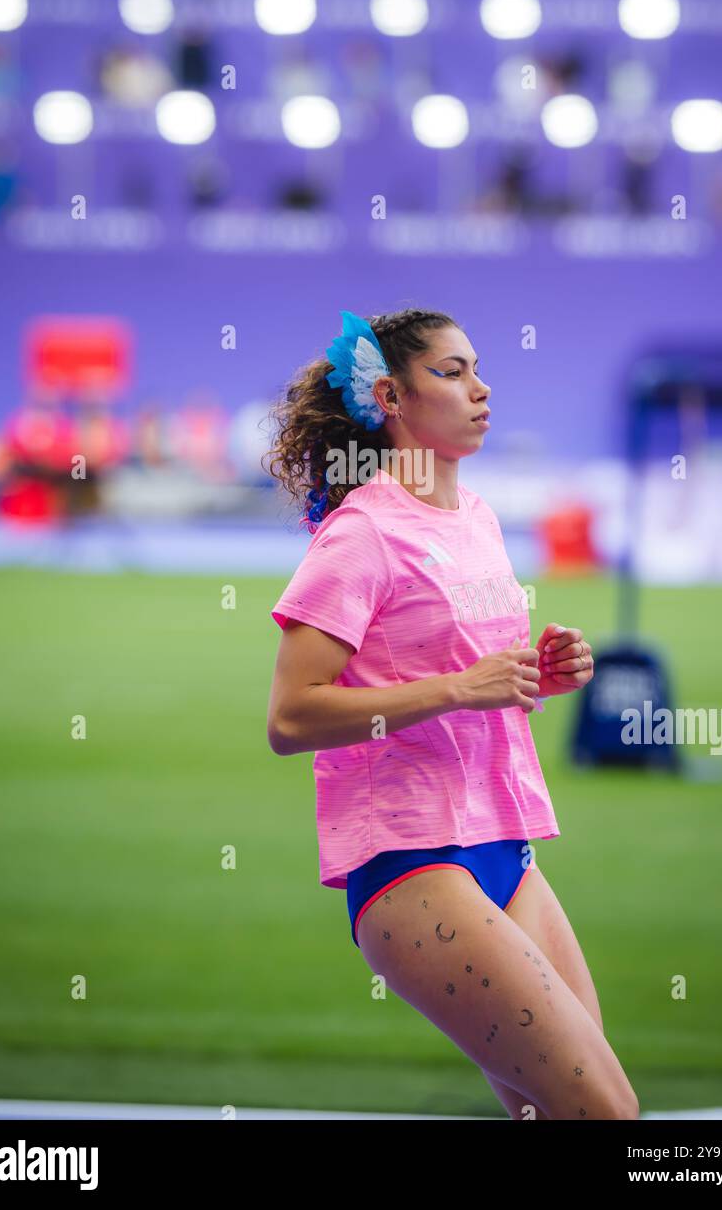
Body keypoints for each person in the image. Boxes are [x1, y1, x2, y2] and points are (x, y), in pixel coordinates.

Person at [263, 307, 638, 1121]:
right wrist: (461, 688)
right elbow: (290, 719)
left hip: (506, 845)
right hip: (411, 860)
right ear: (390, 397)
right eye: (453, 371)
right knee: (605, 1112)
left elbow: (463, 674)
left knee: (554, 1113)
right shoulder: (359, 534)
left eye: (477, 367)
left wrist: (537, 674)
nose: (481, 387)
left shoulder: (479, 519)